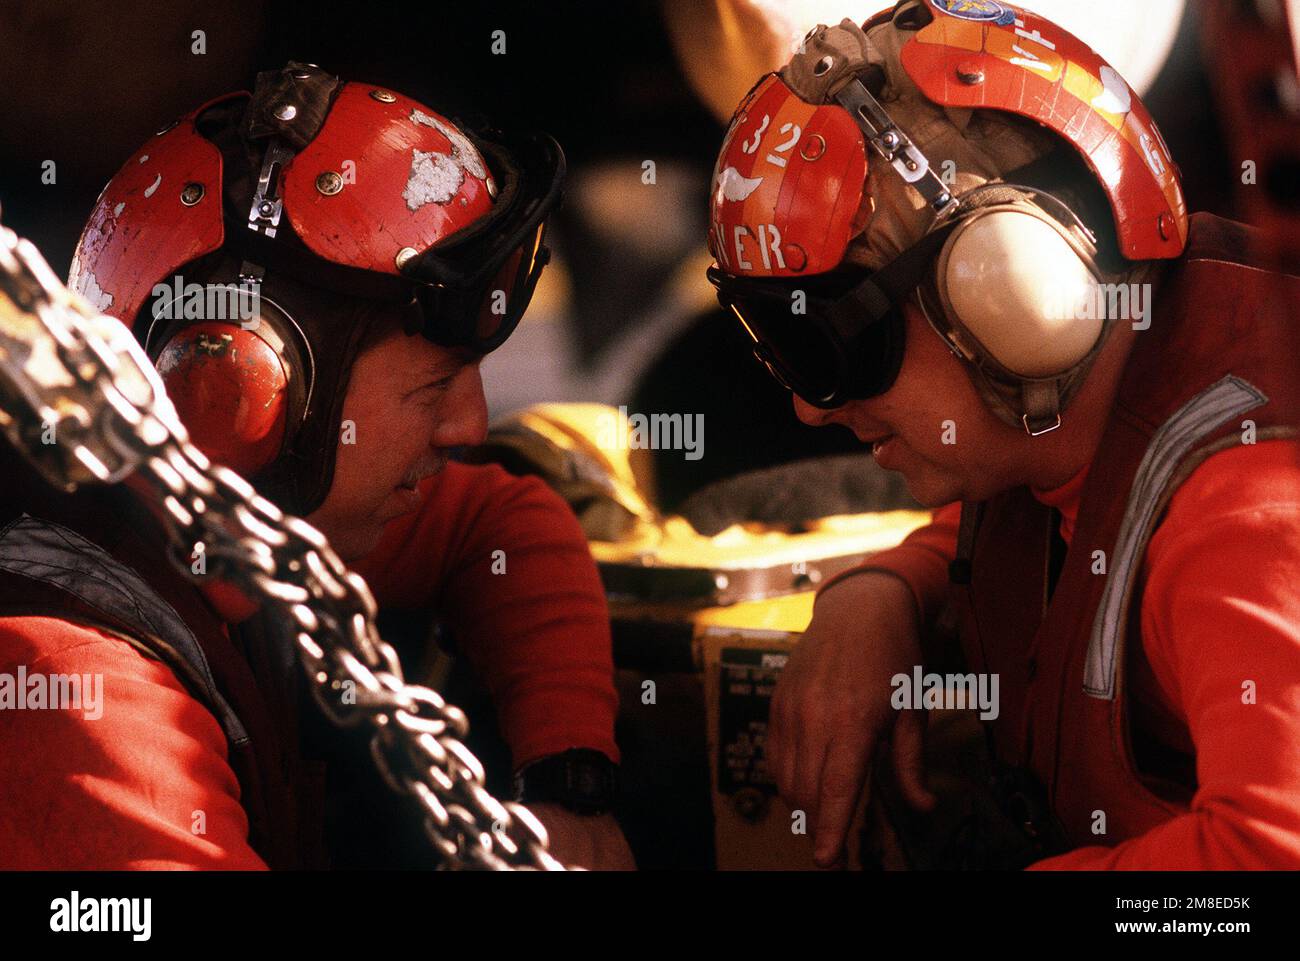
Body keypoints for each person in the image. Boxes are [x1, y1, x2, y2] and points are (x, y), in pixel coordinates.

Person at [706, 0, 1300, 868]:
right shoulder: (1059, 429)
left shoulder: (1244, 511)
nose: (811, 408)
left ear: (1008, 295)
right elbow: (1087, 515)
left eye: (836, 347)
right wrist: (887, 591)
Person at [0, 62, 633, 869]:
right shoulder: (80, 698)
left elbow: (499, 525)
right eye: (435, 385)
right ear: (244, 398)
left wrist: (565, 786)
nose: (469, 426)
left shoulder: (240, 526)